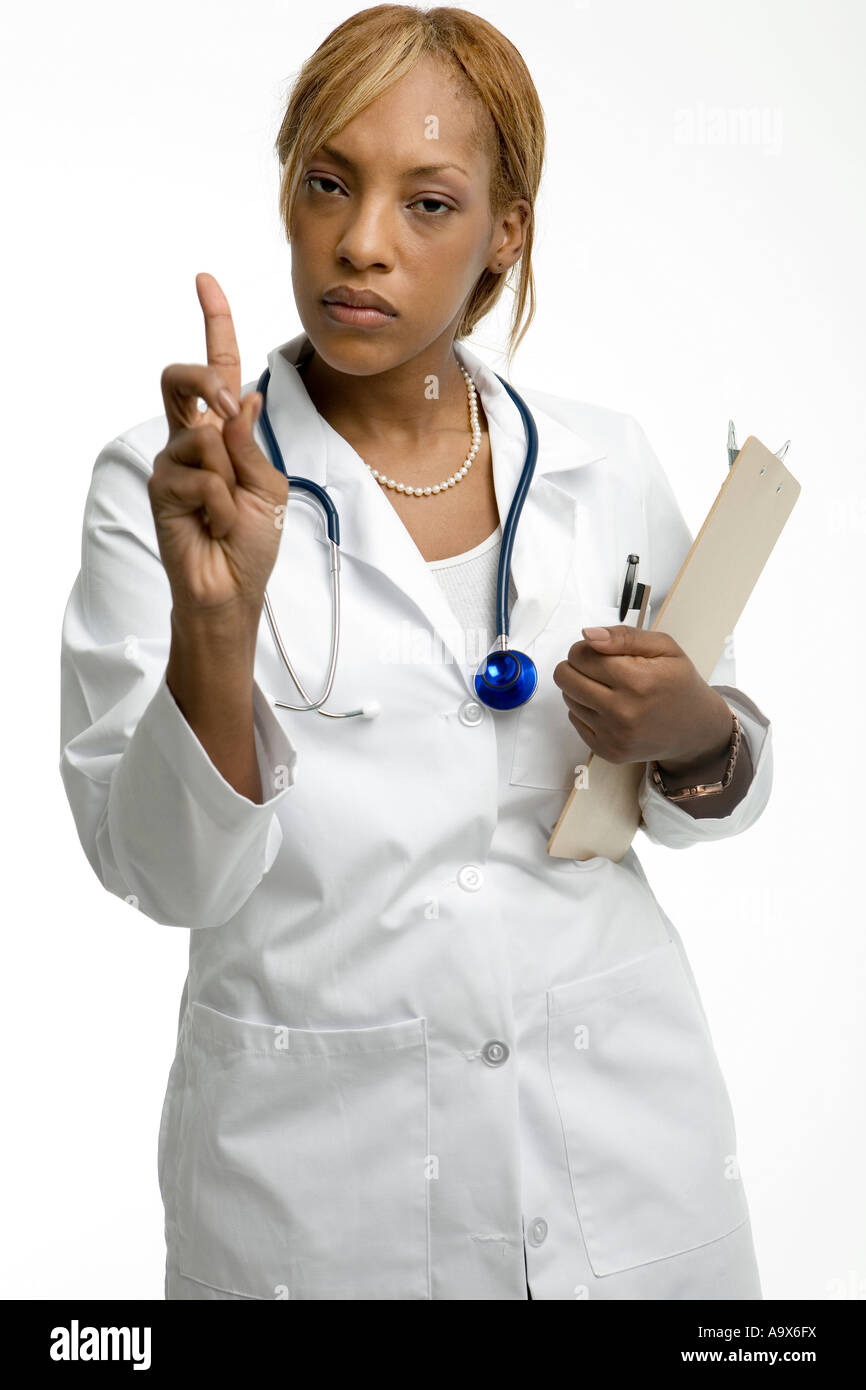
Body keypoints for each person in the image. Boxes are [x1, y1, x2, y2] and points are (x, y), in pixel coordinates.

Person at [59, 4, 773, 1301]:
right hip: (321, 1204)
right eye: (328, 182)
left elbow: (708, 789)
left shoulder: (601, 460)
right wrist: (217, 621)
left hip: (627, 1167)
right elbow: (161, 871)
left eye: (428, 202)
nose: (360, 242)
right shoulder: (167, 485)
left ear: (506, 230)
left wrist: (698, 737)